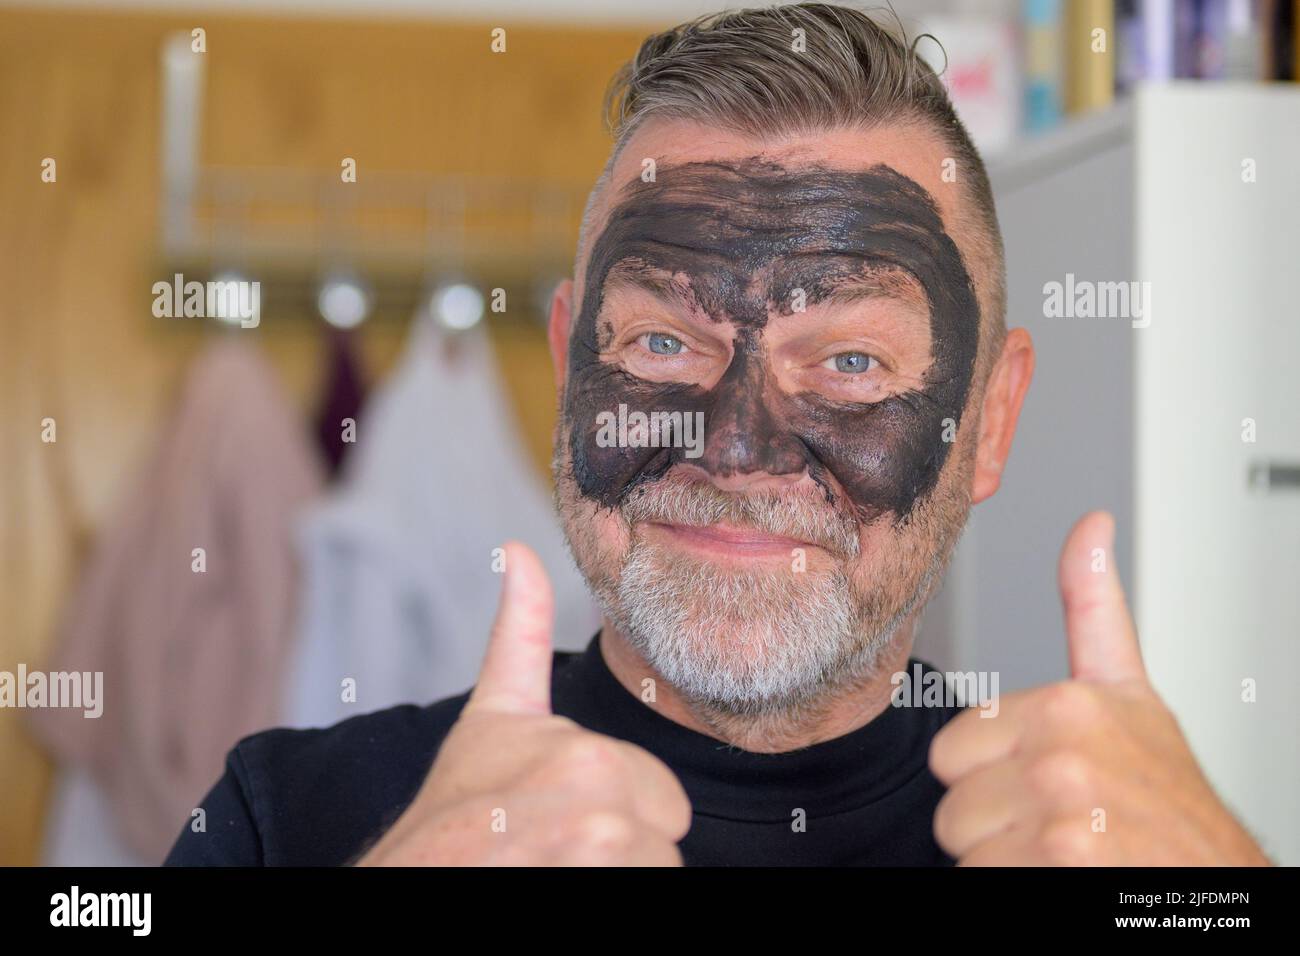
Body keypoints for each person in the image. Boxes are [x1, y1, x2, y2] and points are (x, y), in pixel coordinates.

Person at [165, 2, 1269, 867]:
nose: (736, 447)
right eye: (659, 343)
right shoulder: (286, 818)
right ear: (568, 368)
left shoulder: (1108, 844)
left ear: (988, 420)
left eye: (848, 363)